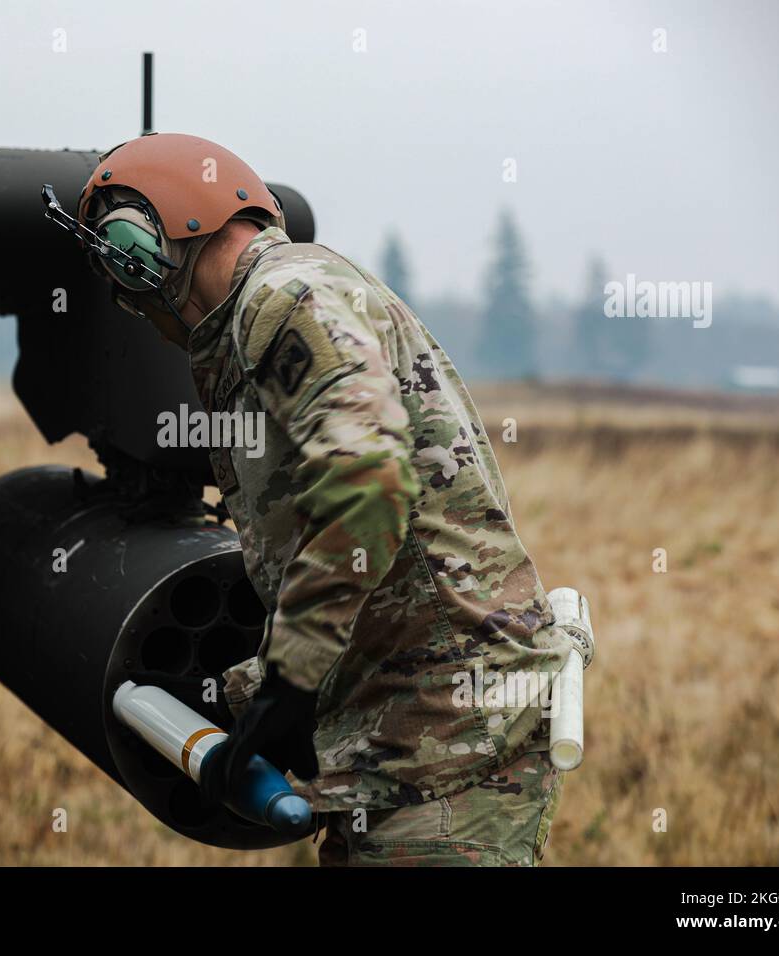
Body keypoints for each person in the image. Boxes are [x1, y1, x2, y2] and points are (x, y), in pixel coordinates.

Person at [47, 132, 574, 866]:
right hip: (403, 734)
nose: (119, 285)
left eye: (116, 249)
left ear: (158, 231)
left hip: (451, 740)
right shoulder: (258, 317)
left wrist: (288, 687)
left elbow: (367, 485)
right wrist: (265, 688)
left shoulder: (284, 296)